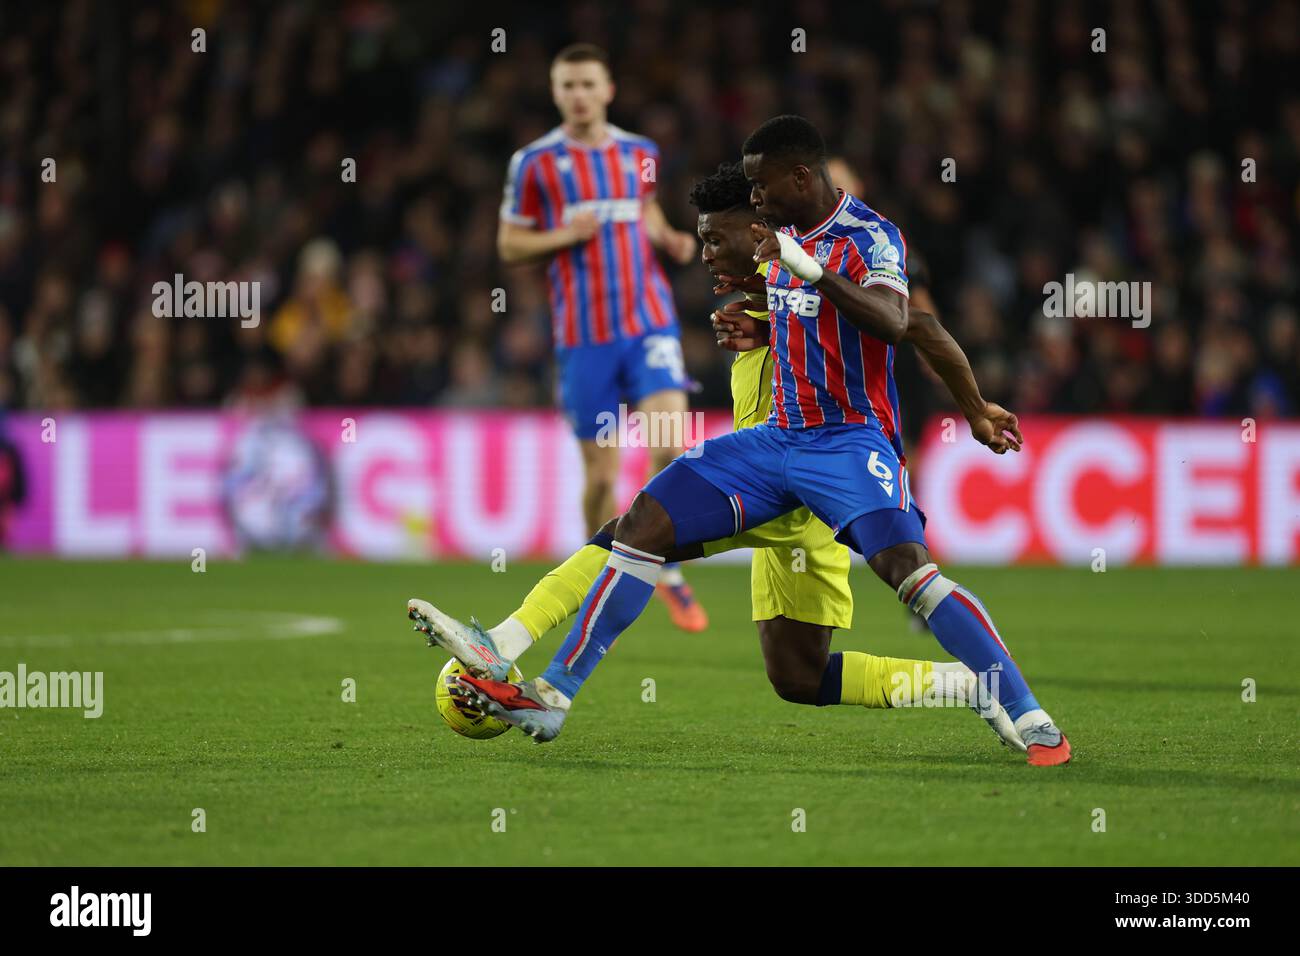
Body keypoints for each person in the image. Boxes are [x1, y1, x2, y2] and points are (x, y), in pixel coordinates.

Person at [408, 162, 1026, 751]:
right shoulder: (771, 307)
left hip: (799, 493)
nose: (705, 254)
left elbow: (910, 325)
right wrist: (763, 320)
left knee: (629, 534)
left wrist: (973, 405)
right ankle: (968, 684)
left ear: (761, 233)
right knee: (798, 677)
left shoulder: (823, 292)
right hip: (781, 498)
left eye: (715, 238)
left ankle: (510, 647)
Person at [497, 43, 707, 631]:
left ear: (609, 88)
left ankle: (661, 562)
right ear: (555, 91)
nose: (579, 95)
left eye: (588, 84)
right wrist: (562, 234)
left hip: (648, 323)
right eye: (567, 86)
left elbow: (646, 210)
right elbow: (509, 245)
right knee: (600, 475)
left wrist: (668, 238)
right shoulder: (534, 163)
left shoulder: (641, 153)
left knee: (669, 443)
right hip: (583, 337)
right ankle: (597, 569)